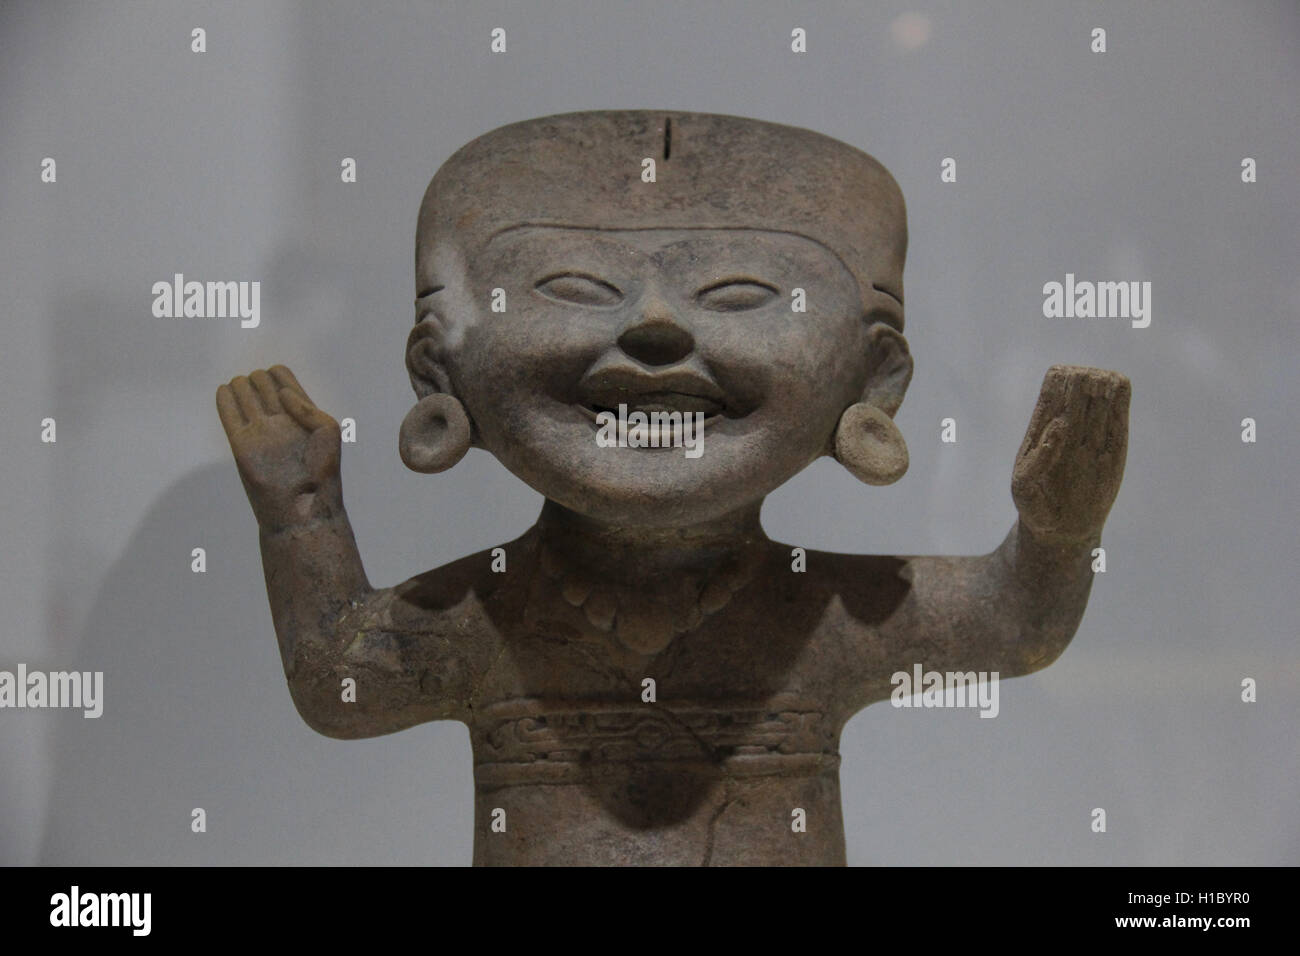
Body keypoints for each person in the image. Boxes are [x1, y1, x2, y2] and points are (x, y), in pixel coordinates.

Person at [216, 111, 1129, 865]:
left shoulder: (827, 615)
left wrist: (1054, 533)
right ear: (441, 373)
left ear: (871, 381)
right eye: (574, 289)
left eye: (737, 296)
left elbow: (1014, 624)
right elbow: (342, 687)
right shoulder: (487, 612)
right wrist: (302, 515)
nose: (652, 325)